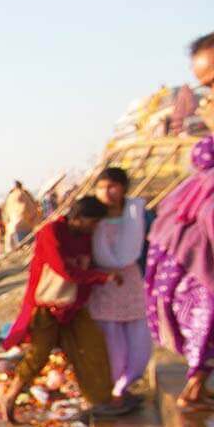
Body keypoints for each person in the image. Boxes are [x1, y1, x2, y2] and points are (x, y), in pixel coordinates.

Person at [0, 197, 117, 423]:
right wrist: (102, 277)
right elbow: (63, 269)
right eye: (92, 223)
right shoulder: (51, 232)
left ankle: (100, 401)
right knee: (38, 356)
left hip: (74, 307)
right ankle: (11, 396)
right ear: (78, 218)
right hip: (46, 307)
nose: (94, 228)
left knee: (93, 349)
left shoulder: (86, 237)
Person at [146, 134, 214, 410]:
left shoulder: (185, 189)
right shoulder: (210, 189)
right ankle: (193, 391)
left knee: (201, 333)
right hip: (200, 276)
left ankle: (197, 387)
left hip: (172, 278)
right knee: (207, 331)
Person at [90, 167, 152, 403]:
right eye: (102, 187)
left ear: (123, 187)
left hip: (131, 281)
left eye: (113, 186)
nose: (107, 192)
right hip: (102, 284)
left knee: (139, 341)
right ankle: (115, 388)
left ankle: (126, 382)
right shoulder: (91, 215)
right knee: (110, 340)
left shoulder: (138, 214)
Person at [4, 180, 42, 252]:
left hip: (14, 222)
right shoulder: (23, 194)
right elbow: (29, 207)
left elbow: (6, 211)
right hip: (23, 221)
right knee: (25, 242)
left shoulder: (11, 195)